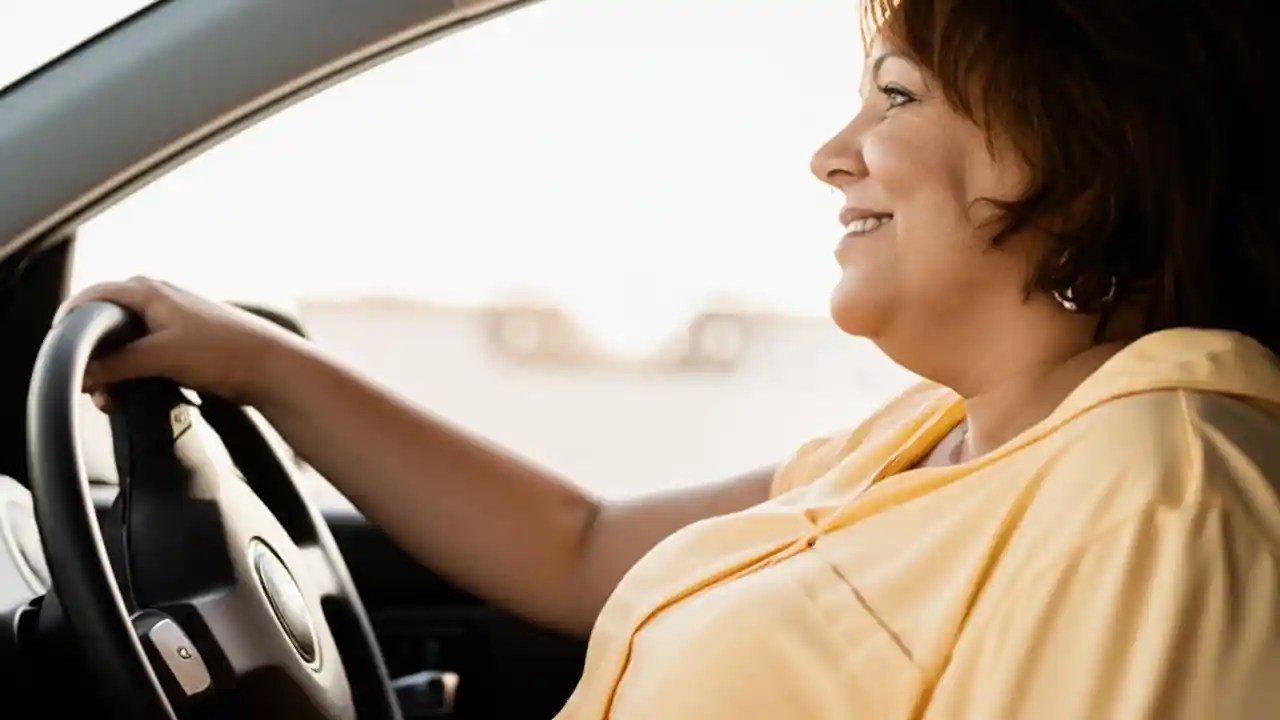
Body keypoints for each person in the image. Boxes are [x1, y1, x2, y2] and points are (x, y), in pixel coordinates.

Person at [64, 0, 1280, 717]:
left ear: (1075, 149)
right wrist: (260, 367)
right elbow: (580, 547)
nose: (832, 154)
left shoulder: (1162, 491)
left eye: (897, 98)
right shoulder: (930, 437)